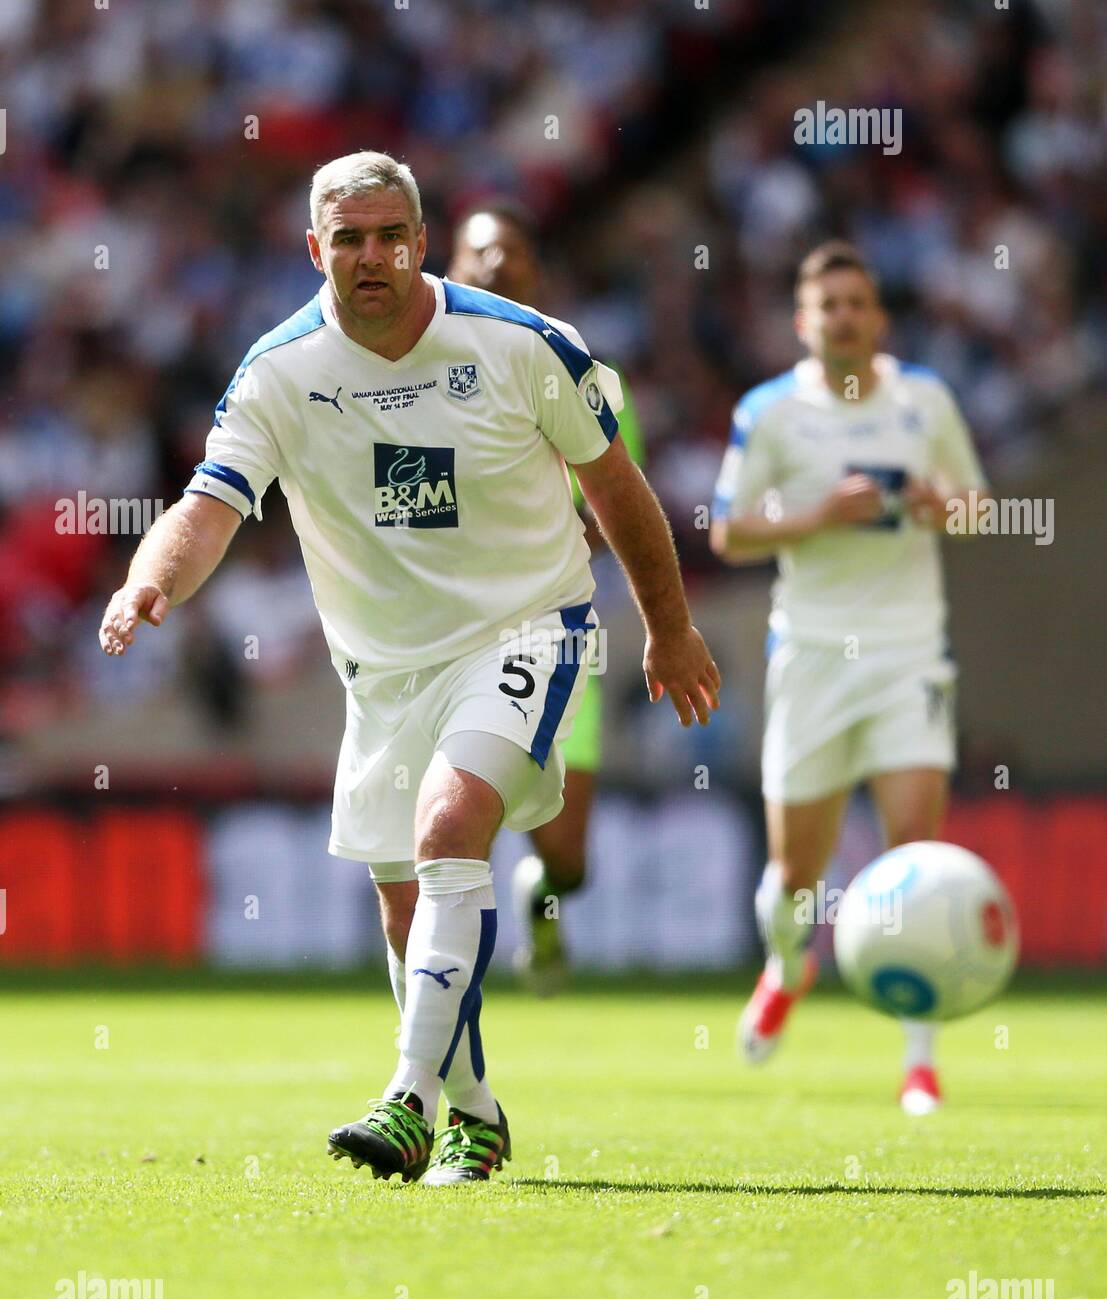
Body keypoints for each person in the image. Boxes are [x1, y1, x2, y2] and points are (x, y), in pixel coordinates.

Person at [100, 151, 720, 1183]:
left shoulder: (524, 345)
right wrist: (148, 582)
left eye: (392, 235)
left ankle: (407, 1097)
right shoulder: (279, 373)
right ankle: (474, 1108)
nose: (372, 255)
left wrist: (670, 625)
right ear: (316, 249)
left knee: (449, 825)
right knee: (408, 902)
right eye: (349, 238)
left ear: (423, 243)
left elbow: (617, 489)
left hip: (527, 626)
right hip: (383, 672)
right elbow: (207, 507)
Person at [710, 241, 987, 1114]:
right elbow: (725, 532)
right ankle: (787, 967)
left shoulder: (924, 400)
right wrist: (818, 515)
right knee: (798, 872)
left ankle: (918, 1058)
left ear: (877, 317)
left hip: (909, 653)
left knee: (915, 858)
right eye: (826, 305)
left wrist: (944, 507)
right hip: (813, 654)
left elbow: (981, 508)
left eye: (856, 303)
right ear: (803, 322)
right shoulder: (771, 412)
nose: (843, 318)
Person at [448, 203, 647, 993]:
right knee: (454, 829)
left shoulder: (580, 373)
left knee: (567, 858)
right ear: (450, 268)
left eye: (514, 251)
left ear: (535, 271)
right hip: (451, 637)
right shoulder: (412, 375)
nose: (498, 263)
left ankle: (543, 899)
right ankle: (441, 1006)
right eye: (481, 252)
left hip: (557, 634)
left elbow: (613, 501)